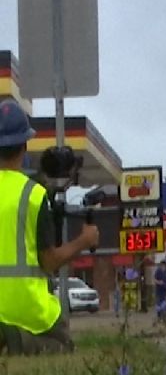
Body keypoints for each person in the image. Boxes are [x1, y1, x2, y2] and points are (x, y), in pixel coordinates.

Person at [0, 98, 100, 355]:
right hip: (29, 312)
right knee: (63, 345)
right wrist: (84, 241)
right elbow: (49, 262)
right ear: (24, 145)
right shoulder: (31, 195)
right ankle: (14, 341)